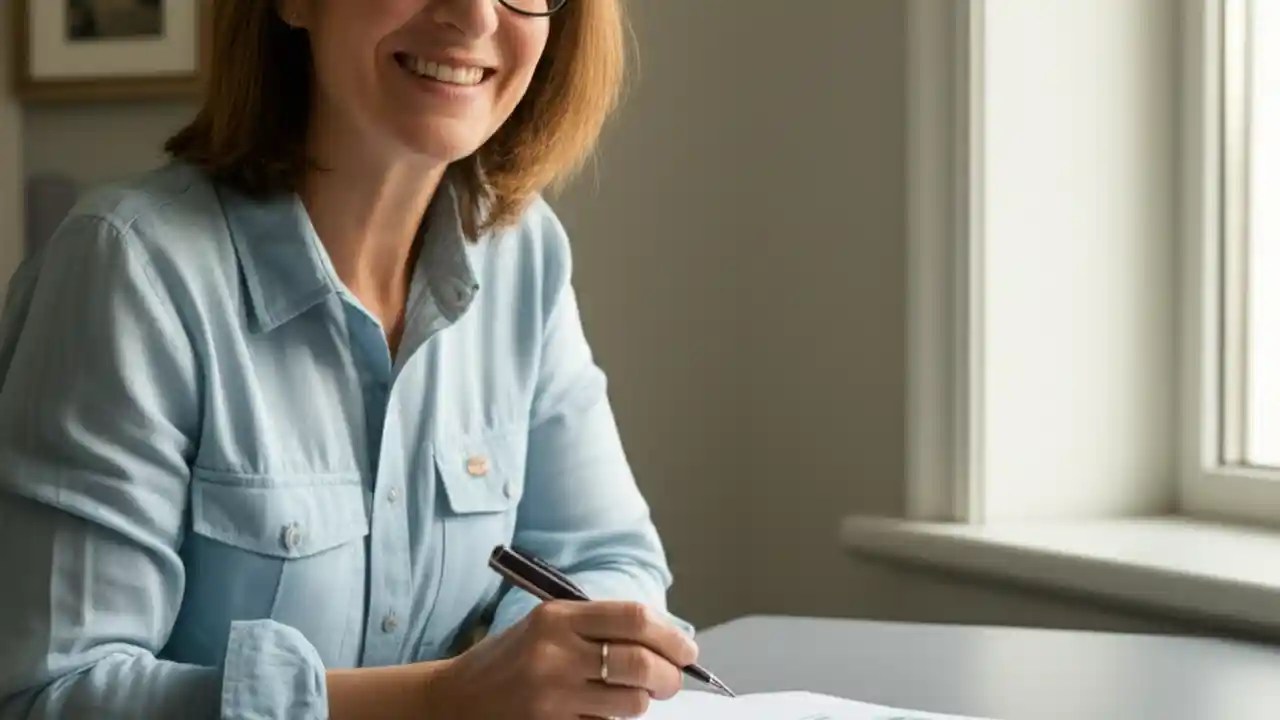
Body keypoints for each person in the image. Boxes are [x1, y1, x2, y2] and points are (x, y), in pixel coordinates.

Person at [0, 1, 697, 718]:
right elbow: (48, 695)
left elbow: (610, 561)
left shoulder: (524, 253)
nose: (477, 16)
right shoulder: (129, 270)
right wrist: (443, 700)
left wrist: (537, 668)